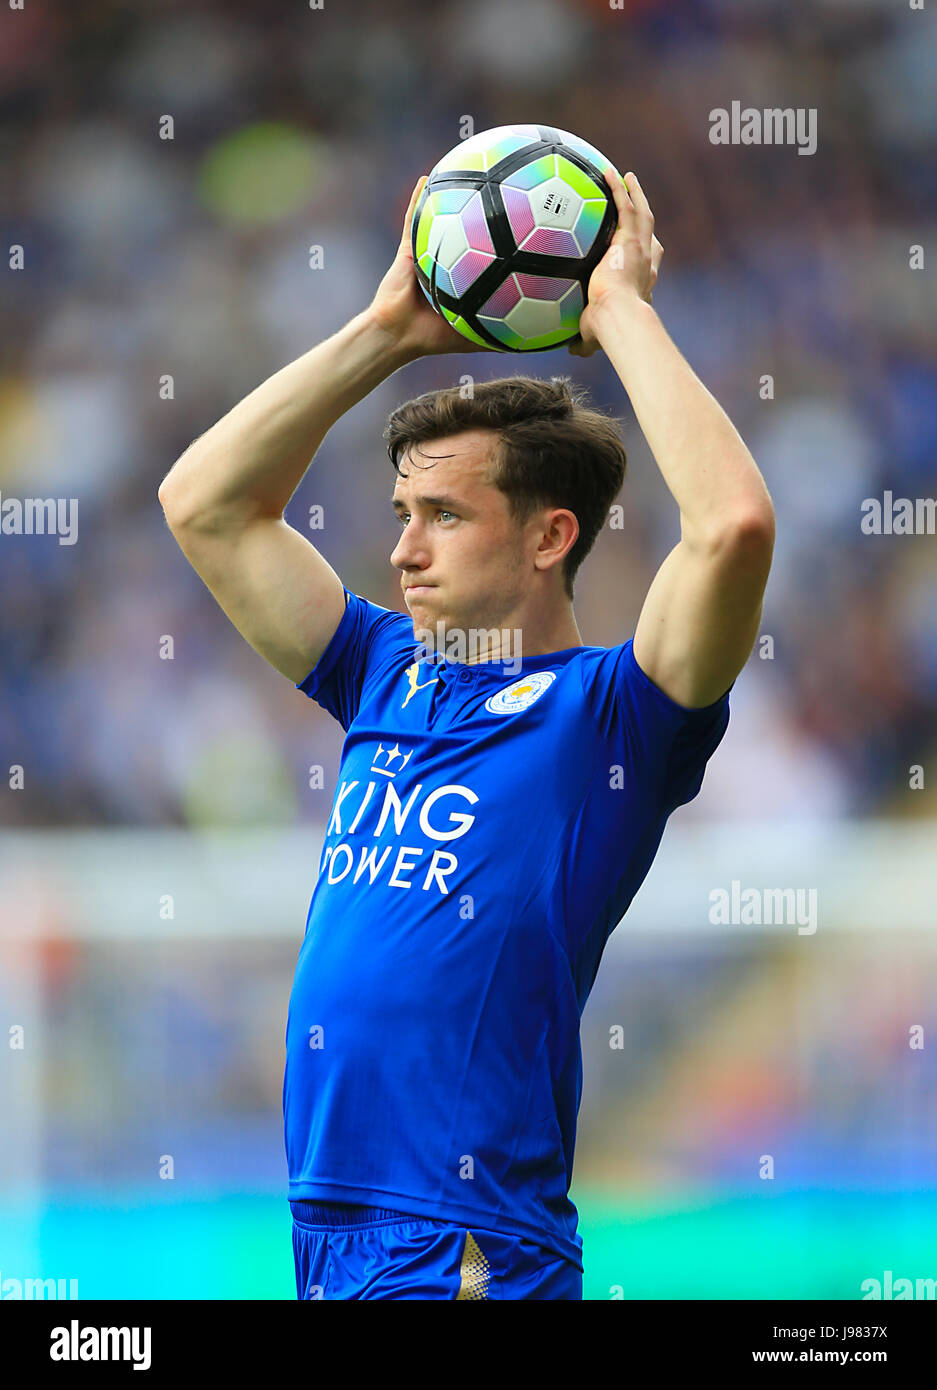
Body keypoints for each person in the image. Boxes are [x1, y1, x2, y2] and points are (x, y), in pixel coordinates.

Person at [158, 167, 774, 1300]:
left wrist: (620, 312)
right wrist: (389, 331)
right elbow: (204, 505)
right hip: (328, 1229)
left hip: (464, 1247)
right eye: (402, 515)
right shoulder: (384, 669)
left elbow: (731, 527)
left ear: (549, 536)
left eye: (443, 516)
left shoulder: (611, 718)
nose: (402, 553)